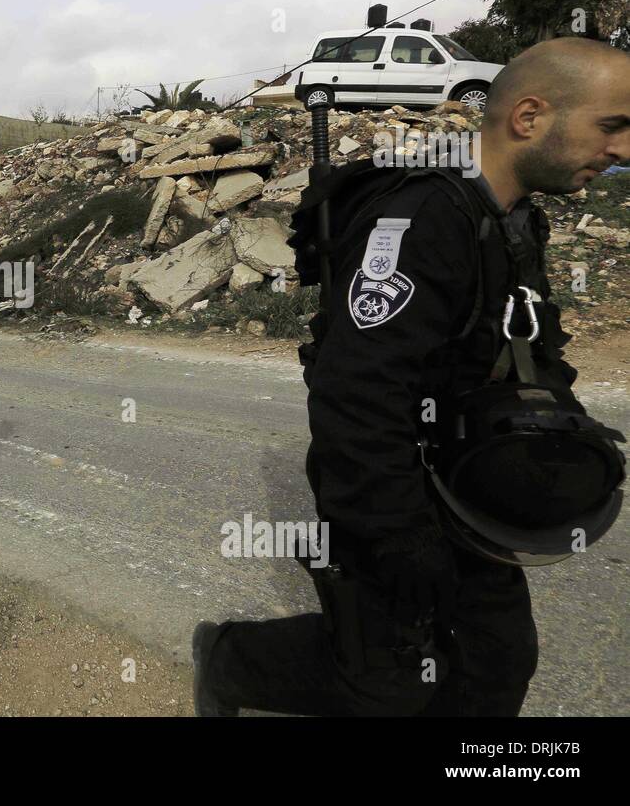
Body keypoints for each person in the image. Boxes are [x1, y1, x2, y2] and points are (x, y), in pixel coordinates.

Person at [194, 38, 630, 717]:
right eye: (613, 126)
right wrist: (398, 535)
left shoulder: (513, 218)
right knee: (386, 677)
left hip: (464, 480)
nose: (624, 150)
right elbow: (355, 393)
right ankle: (228, 662)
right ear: (529, 117)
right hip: (392, 486)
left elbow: (520, 342)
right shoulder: (422, 219)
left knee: (494, 662)